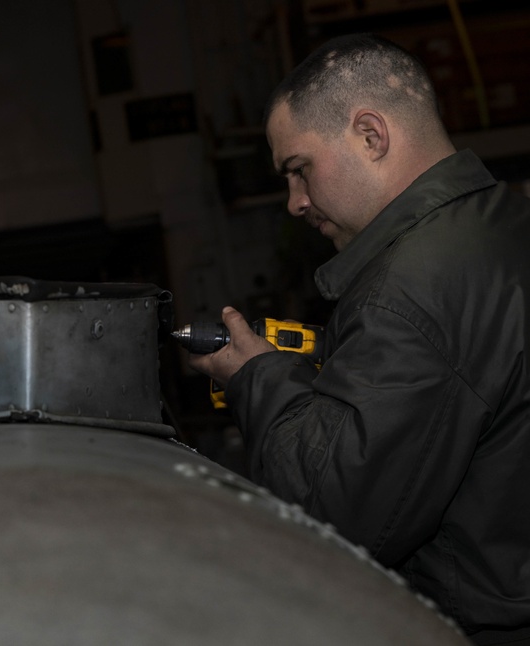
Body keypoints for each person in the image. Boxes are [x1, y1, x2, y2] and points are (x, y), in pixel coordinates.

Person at [189, 33, 530, 644]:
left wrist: (255, 378)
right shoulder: (505, 223)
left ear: (370, 136)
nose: (295, 202)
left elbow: (334, 512)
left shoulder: (411, 290)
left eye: (299, 171)